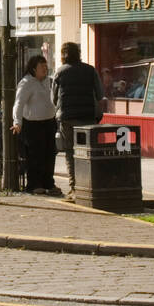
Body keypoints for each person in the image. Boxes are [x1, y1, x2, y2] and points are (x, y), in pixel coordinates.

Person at [52, 41, 105, 195]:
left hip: (67, 118)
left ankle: (74, 187)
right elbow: (100, 94)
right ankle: (88, 184)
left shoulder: (60, 72)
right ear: (78, 53)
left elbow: (53, 99)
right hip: (87, 118)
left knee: (70, 151)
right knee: (87, 151)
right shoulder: (90, 70)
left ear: (63, 55)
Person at [12, 54, 60, 195]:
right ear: (33, 69)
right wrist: (17, 122)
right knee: (35, 156)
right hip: (33, 125)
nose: (45, 69)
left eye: (46, 66)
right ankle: (34, 184)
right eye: (42, 66)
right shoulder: (26, 83)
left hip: (49, 122)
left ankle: (49, 183)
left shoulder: (49, 82)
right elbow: (19, 104)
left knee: (50, 154)